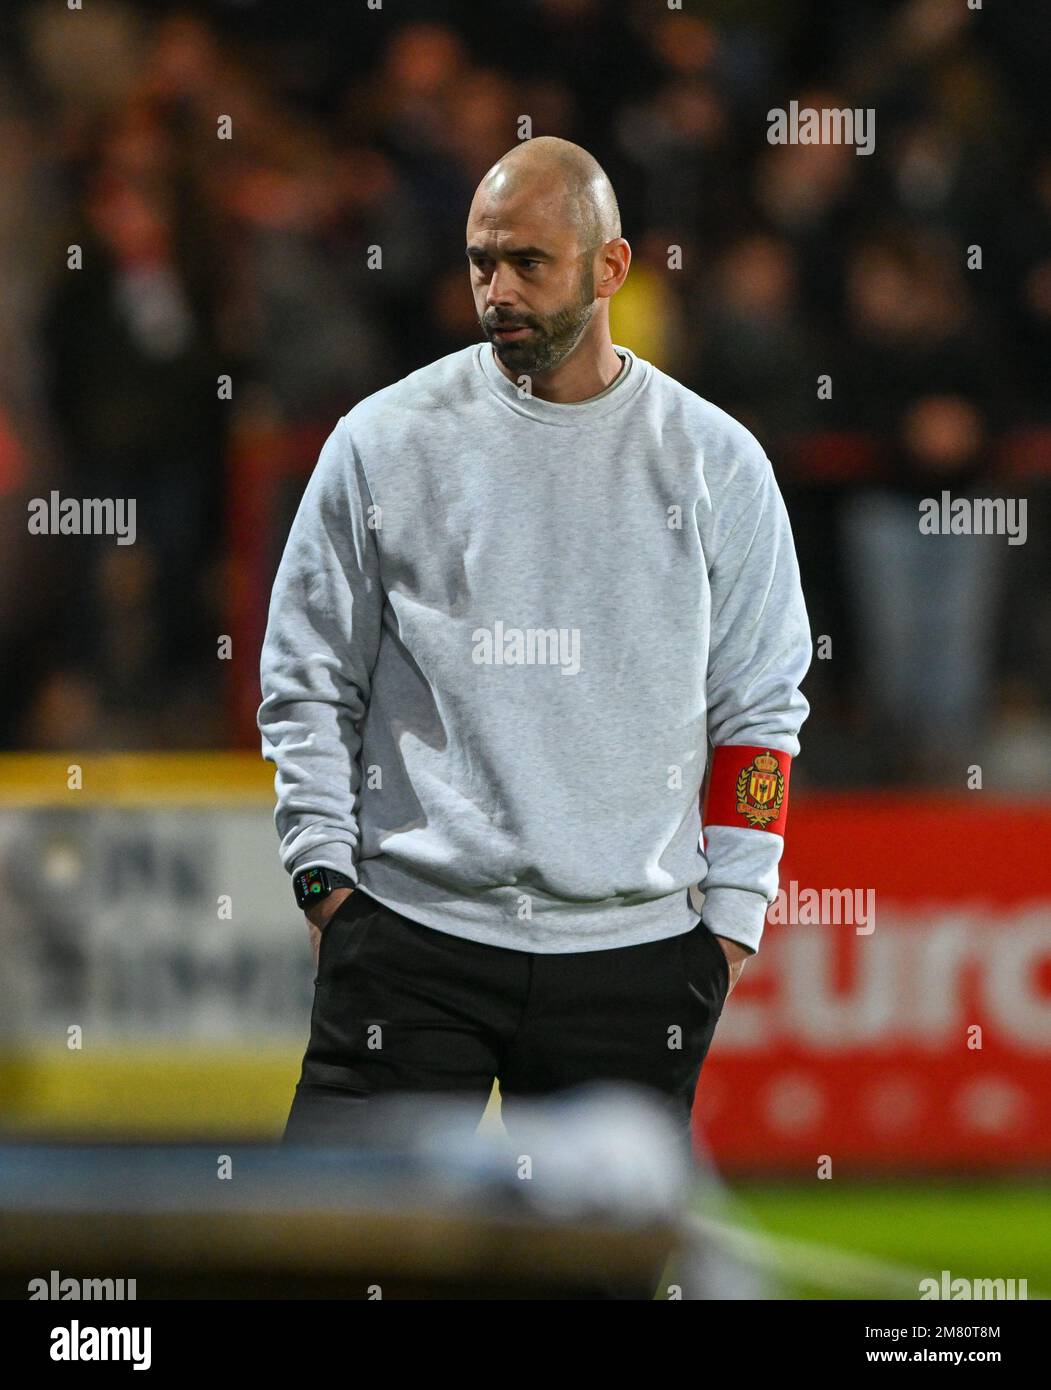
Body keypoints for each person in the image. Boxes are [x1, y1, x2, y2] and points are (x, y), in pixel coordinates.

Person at [258, 137, 811, 1202]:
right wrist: (325, 877)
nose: (495, 290)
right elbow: (307, 678)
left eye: (527, 262)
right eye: (479, 262)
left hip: (634, 957)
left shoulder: (716, 462)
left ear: (611, 269)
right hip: (409, 941)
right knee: (320, 1264)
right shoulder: (382, 442)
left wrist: (734, 917)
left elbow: (758, 705)